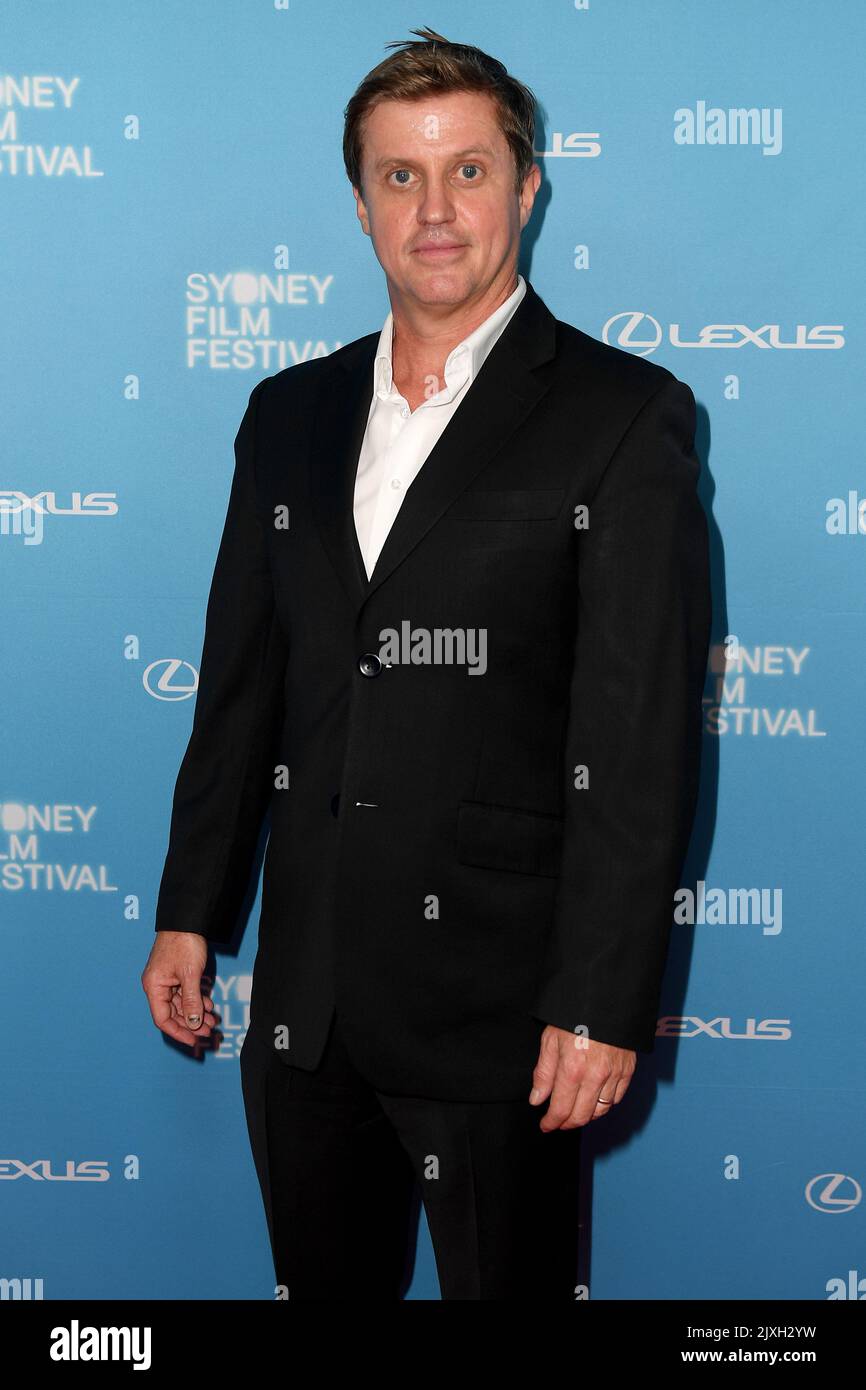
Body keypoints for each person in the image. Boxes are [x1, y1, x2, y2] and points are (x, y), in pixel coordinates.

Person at [142, 27, 712, 1300]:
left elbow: (634, 739)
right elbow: (239, 689)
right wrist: (192, 905)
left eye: (466, 170)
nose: (435, 208)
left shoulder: (620, 416)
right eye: (400, 176)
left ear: (526, 187)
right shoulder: (286, 415)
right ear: (359, 205)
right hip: (309, 1000)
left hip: (506, 1015)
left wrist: (601, 1000)